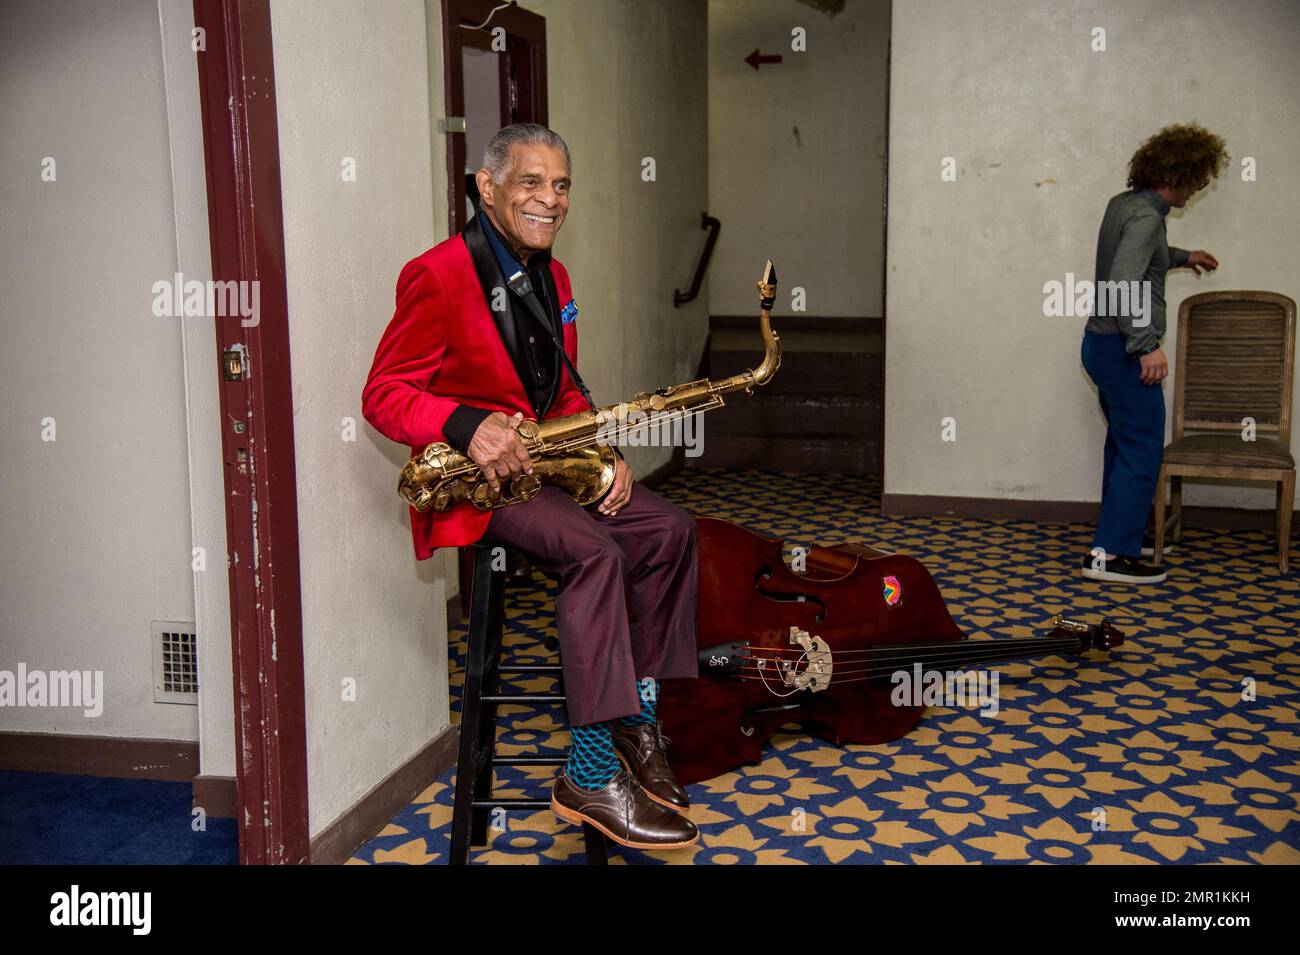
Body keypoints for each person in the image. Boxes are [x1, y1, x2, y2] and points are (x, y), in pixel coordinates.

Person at [362, 124, 700, 849]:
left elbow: (562, 397)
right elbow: (383, 393)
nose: (550, 199)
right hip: (481, 485)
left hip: (549, 466)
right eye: (531, 183)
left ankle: (637, 719)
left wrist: (604, 457)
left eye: (561, 185)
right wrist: (463, 423)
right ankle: (587, 768)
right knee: (594, 553)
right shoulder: (437, 273)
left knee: (671, 531)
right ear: (487, 189)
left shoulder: (555, 274)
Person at [1080, 123, 1228, 584]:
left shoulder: (1127, 205)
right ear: (1178, 173)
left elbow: (1142, 255)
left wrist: (1184, 256)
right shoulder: (1147, 218)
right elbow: (1125, 283)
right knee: (1143, 447)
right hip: (1124, 349)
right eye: (1198, 179)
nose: (1199, 188)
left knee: (1124, 444)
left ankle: (1118, 535)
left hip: (1100, 346)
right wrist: (1147, 347)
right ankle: (1109, 556)